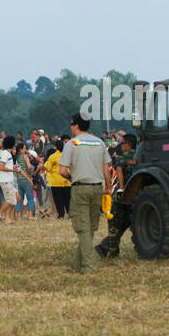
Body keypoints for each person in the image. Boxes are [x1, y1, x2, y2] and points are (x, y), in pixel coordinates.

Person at [59, 114, 112, 274]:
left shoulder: (72, 144)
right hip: (97, 188)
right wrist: (108, 187)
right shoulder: (99, 142)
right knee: (90, 227)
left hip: (80, 188)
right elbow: (106, 168)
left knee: (83, 228)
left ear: (75, 126)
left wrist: (71, 177)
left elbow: (62, 171)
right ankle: (76, 265)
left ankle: (89, 266)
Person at [0, 135, 18, 223]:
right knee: (11, 200)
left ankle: (7, 219)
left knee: (13, 200)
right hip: (6, 181)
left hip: (8, 180)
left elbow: (6, 165)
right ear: (12, 144)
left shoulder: (7, 154)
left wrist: (13, 167)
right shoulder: (6, 154)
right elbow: (1, 167)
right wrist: (12, 169)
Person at [13, 141, 36, 219]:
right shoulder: (25, 156)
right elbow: (29, 167)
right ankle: (30, 216)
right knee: (30, 197)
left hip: (19, 180)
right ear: (21, 150)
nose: (26, 150)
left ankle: (19, 217)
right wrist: (30, 174)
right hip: (26, 179)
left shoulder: (17, 157)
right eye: (25, 148)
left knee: (20, 198)